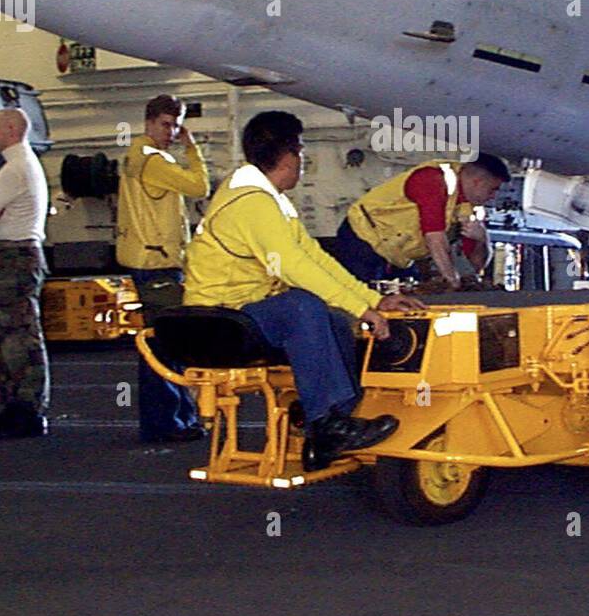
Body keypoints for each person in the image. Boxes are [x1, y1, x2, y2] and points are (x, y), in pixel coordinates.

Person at [182, 111, 424, 470]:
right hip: (217, 321)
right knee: (302, 307)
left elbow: (312, 257)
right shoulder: (252, 202)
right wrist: (364, 309)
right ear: (290, 154)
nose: (303, 160)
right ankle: (327, 422)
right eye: (301, 150)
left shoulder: (268, 199)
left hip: (237, 313)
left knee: (334, 319)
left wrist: (372, 301)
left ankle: (332, 425)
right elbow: (294, 268)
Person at [117, 94, 209, 443]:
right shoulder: (153, 161)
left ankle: (174, 418)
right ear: (149, 123)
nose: (171, 132)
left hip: (150, 262)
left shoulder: (135, 157)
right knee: (166, 347)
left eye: (175, 125)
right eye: (166, 124)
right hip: (157, 265)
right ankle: (166, 422)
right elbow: (199, 186)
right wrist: (192, 149)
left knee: (162, 344)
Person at [0, 108, 50, 439]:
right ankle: (17, 405)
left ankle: (26, 409)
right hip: (19, 256)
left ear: (11, 130)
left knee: (16, 336)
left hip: (13, 257)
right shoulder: (26, 164)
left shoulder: (13, 169)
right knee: (6, 334)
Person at [331, 153, 509, 289]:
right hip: (361, 240)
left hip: (397, 257)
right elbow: (434, 238)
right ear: (477, 182)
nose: (493, 197)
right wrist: (453, 284)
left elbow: (477, 265)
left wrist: (482, 239)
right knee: (359, 298)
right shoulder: (433, 179)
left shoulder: (471, 208)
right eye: (493, 190)